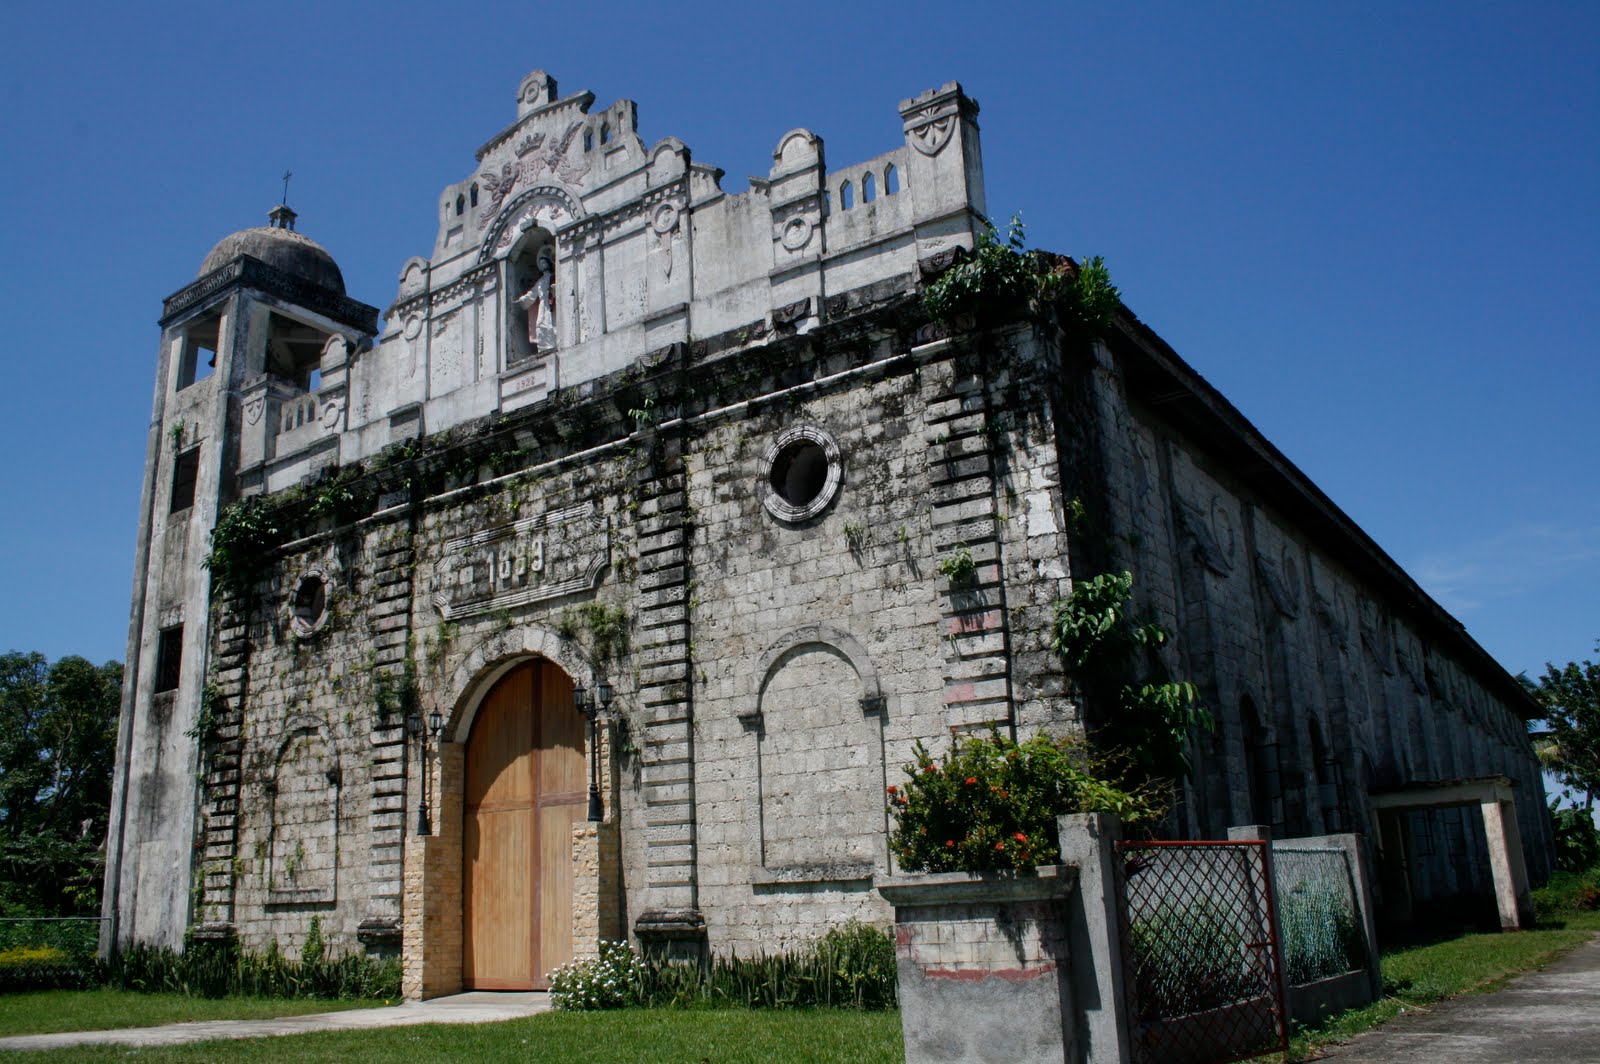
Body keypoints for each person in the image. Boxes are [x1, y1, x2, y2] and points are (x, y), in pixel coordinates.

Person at [515, 246, 557, 352]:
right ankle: (543, 348)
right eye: (541, 263)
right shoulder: (540, 281)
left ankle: (553, 345)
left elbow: (559, 286)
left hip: (552, 304)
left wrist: (554, 289)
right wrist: (522, 300)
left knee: (551, 323)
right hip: (543, 305)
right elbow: (532, 293)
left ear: (549, 263)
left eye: (544, 263)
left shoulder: (554, 276)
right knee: (540, 324)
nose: (543, 265)